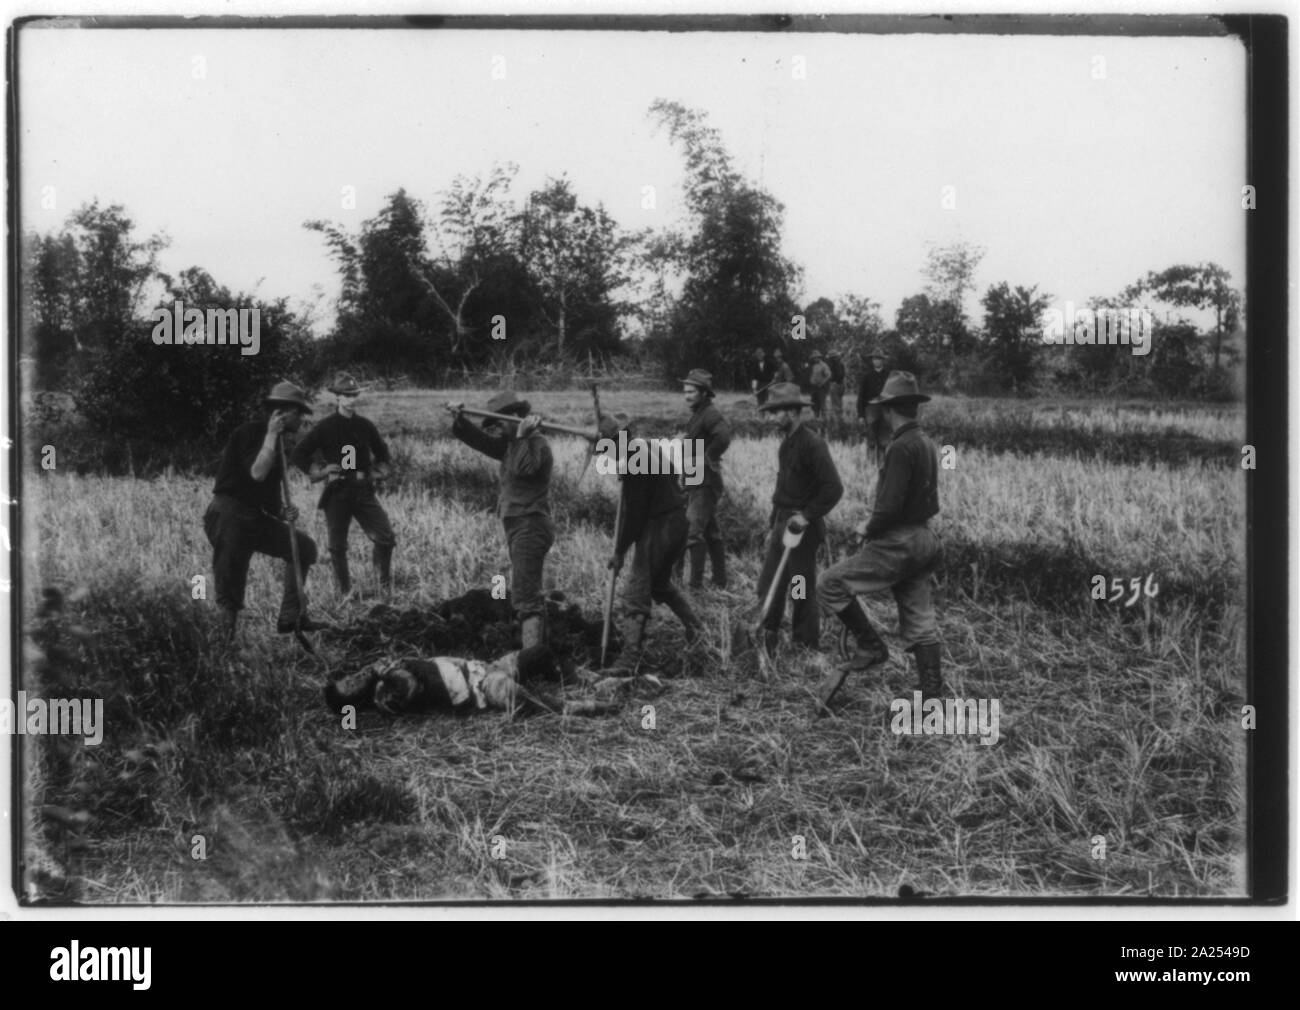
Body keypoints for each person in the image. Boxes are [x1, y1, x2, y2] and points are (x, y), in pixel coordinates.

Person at [817, 371, 943, 709]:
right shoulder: (927, 443)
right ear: (913, 407)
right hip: (925, 539)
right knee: (919, 619)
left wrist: (865, 528)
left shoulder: (900, 447)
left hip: (899, 542)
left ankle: (871, 646)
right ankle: (932, 694)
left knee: (828, 584)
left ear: (889, 410)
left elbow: (888, 509)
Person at [203, 381, 330, 641]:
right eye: (300, 413)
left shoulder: (279, 443)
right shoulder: (250, 433)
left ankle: (291, 617)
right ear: (284, 412)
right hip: (229, 515)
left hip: (253, 517)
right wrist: (271, 436)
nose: (302, 419)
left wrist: (282, 512)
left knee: (304, 548)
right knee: (230, 590)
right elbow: (257, 473)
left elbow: (265, 494)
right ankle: (221, 650)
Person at [598, 412, 703, 674]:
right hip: (678, 521)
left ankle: (629, 658)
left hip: (661, 526)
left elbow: (634, 515)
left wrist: (620, 551)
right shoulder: (646, 447)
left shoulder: (634, 459)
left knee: (637, 591)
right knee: (659, 585)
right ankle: (697, 629)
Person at [447, 392, 553, 650]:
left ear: (516, 417)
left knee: (527, 594)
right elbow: (481, 441)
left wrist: (521, 437)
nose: (495, 430)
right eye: (492, 426)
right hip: (516, 524)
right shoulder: (510, 443)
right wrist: (459, 419)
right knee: (514, 583)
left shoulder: (535, 443)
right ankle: (522, 635)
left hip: (531, 524)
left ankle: (532, 657)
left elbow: (523, 469)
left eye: (498, 424)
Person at [755, 382, 844, 653]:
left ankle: (804, 643)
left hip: (801, 530)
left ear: (792, 412)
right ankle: (765, 636)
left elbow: (833, 488)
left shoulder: (813, 445)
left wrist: (806, 516)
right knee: (768, 583)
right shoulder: (786, 445)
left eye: (776, 412)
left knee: (799, 588)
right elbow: (782, 489)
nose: (771, 418)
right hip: (782, 523)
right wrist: (773, 523)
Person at [290, 371, 395, 598]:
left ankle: (382, 588)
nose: (350, 399)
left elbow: (382, 453)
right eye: (345, 395)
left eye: (354, 394)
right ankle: (344, 592)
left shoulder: (365, 426)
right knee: (337, 547)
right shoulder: (325, 427)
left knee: (385, 537)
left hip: (363, 491)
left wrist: (380, 472)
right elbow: (299, 453)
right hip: (337, 493)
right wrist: (320, 471)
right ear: (337, 397)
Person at [679, 369, 732, 590]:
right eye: (685, 391)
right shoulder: (698, 414)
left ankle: (695, 587)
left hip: (705, 482)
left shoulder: (709, 413)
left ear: (703, 393)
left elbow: (724, 436)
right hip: (697, 480)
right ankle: (720, 581)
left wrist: (708, 457)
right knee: (711, 533)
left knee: (692, 533)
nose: (687, 395)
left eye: (691, 391)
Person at [857, 347, 891, 467]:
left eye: (879, 359)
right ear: (872, 361)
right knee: (871, 439)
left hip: (885, 409)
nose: (876, 361)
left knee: (883, 440)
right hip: (871, 409)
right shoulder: (867, 377)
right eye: (874, 359)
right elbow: (861, 397)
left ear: (883, 360)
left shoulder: (889, 376)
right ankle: (871, 466)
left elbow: (893, 395)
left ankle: (882, 465)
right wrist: (861, 415)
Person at [807, 351, 832, 419]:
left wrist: (822, 382)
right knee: (814, 404)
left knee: (822, 404)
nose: (815, 359)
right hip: (814, 387)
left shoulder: (824, 365)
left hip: (821, 388)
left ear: (819, 357)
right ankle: (816, 419)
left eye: (816, 358)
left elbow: (828, 375)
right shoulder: (814, 366)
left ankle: (824, 420)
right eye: (814, 358)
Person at [826, 352, 846, 422]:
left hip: (835, 385)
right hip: (842, 384)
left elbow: (831, 376)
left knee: (835, 404)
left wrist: (832, 381)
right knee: (840, 403)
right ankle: (841, 418)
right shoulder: (841, 364)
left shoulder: (832, 364)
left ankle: (838, 419)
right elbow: (843, 375)